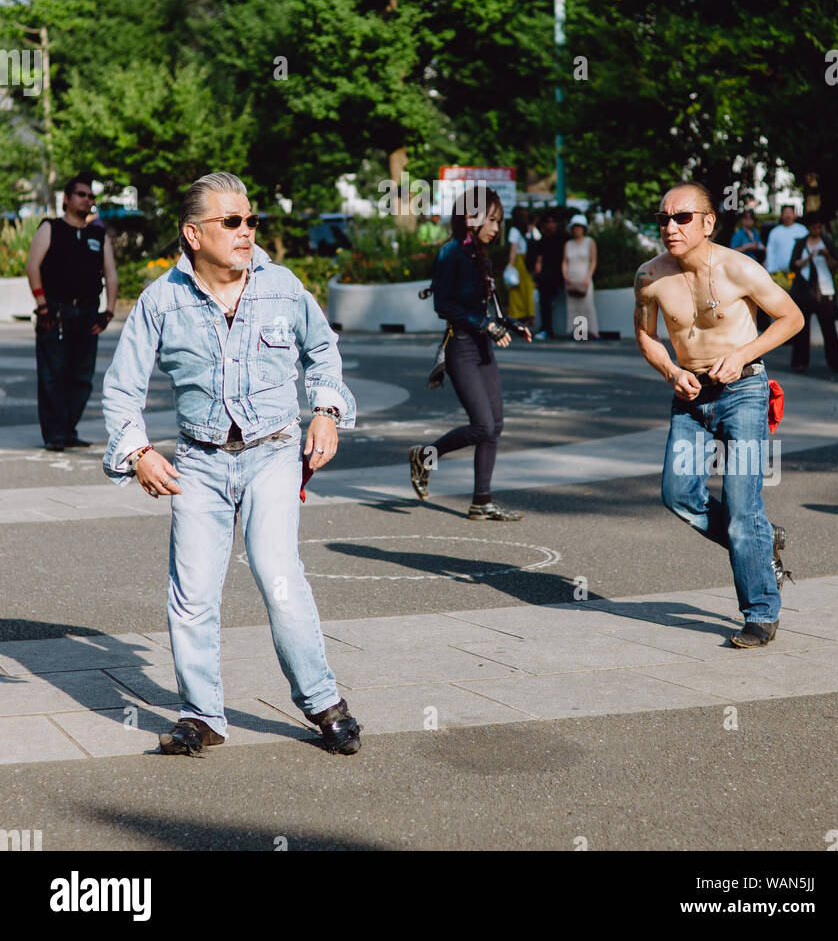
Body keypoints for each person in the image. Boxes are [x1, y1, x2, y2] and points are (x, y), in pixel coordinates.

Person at [101, 172, 361, 757]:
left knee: (278, 576)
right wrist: (137, 452)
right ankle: (202, 715)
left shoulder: (283, 287)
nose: (246, 232)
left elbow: (323, 352)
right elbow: (122, 390)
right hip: (198, 462)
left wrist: (324, 410)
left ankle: (324, 703)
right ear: (193, 234)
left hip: (273, 453)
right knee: (191, 593)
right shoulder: (162, 300)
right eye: (232, 222)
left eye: (250, 220)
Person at [634, 181, 803, 649]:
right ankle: (760, 541)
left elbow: (792, 318)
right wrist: (670, 369)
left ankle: (760, 613)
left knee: (741, 506)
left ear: (708, 222)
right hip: (689, 397)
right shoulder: (650, 277)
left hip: (743, 391)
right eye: (663, 218)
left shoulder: (737, 268)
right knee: (678, 494)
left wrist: (744, 352)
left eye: (682, 218)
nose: (670, 227)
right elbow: (646, 335)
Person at [408, 191, 531, 520]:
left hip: (483, 347)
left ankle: (482, 502)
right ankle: (425, 455)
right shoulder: (450, 253)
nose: (496, 227)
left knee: (496, 425)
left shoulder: (480, 254)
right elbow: (444, 305)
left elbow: (486, 305)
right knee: (483, 425)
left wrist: (509, 324)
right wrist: (486, 325)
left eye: (499, 221)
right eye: (491, 220)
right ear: (471, 217)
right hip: (461, 346)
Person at [25, 173, 118, 452]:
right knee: (53, 374)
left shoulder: (97, 234)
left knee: (81, 375)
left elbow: (111, 275)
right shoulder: (50, 227)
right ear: (66, 199)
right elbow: (33, 267)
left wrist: (108, 312)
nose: (87, 200)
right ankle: (54, 434)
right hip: (55, 311)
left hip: (88, 312)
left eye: (90, 196)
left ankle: (69, 430)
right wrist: (42, 305)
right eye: (81, 194)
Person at [789, 213, 838, 373]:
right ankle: (800, 362)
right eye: (814, 228)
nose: (817, 230)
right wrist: (809, 257)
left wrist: (826, 255)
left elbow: (836, 265)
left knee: (829, 327)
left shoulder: (826, 241)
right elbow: (793, 265)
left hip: (824, 288)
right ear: (809, 229)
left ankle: (836, 362)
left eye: (819, 227)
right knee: (802, 327)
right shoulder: (801, 243)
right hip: (804, 290)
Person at [563, 213, 600, 340]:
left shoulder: (590, 242)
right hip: (571, 277)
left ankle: (592, 331)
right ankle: (578, 333)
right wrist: (565, 276)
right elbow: (564, 261)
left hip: (585, 277)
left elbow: (593, 260)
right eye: (575, 227)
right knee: (573, 306)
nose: (577, 230)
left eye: (579, 227)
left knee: (587, 305)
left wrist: (588, 277)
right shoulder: (568, 244)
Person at [533, 211, 564, 340]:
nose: (551, 225)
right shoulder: (541, 241)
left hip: (560, 275)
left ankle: (581, 334)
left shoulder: (562, 239)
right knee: (545, 304)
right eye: (548, 222)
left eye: (553, 222)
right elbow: (538, 261)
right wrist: (537, 276)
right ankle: (546, 329)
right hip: (545, 277)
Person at [505, 206, 535, 325]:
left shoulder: (514, 230)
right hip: (527, 261)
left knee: (515, 289)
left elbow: (514, 248)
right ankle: (529, 314)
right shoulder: (527, 229)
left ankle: (517, 314)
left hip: (519, 261)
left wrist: (510, 265)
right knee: (527, 288)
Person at [764, 204, 807, 276]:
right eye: (785, 213)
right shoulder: (774, 232)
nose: (788, 215)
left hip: (800, 272)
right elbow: (770, 251)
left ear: (795, 215)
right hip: (779, 274)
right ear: (781, 215)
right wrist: (771, 270)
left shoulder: (802, 230)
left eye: (790, 213)